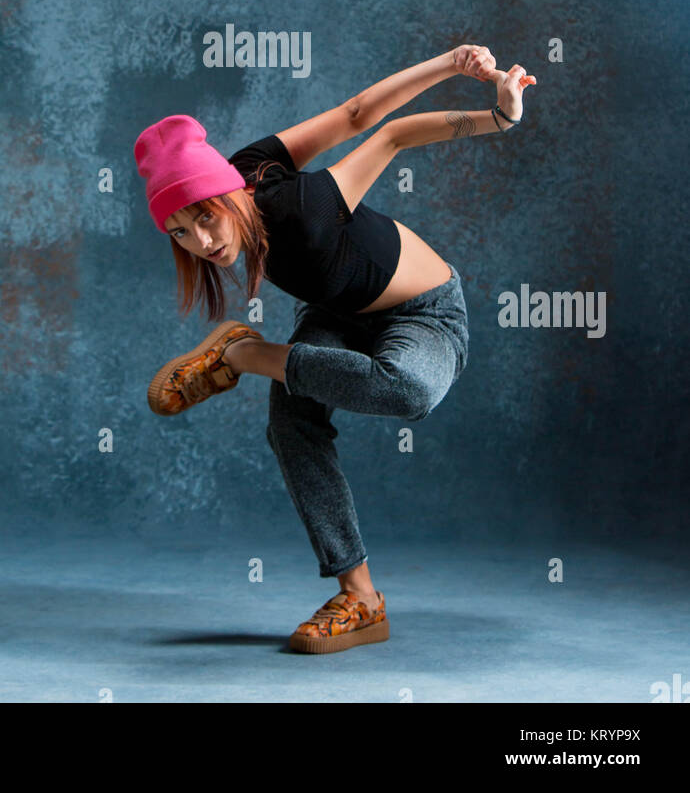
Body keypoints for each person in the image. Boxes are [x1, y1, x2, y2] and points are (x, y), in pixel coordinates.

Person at [133, 44, 536, 654]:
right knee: (290, 418)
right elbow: (350, 114)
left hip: (423, 314)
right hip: (335, 315)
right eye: (180, 232)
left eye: (207, 218)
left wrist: (492, 109)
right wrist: (453, 64)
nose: (203, 242)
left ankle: (241, 355)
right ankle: (361, 599)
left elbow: (388, 131)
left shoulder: (305, 207)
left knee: (409, 389)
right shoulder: (252, 167)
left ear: (228, 194)